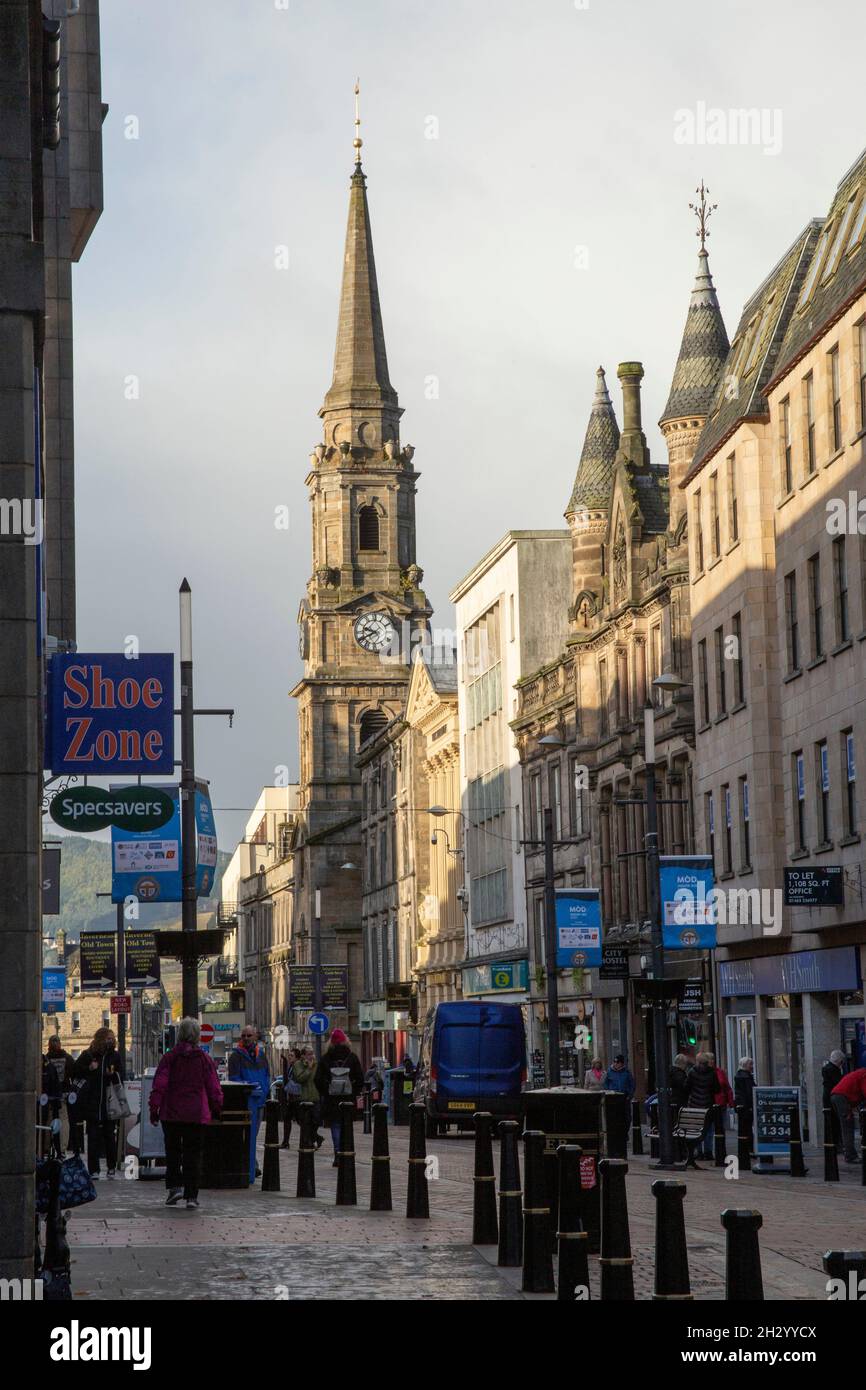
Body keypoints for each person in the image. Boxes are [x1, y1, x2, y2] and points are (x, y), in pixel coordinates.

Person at [149, 1017, 223, 1209]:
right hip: (196, 1114)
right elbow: (214, 1087)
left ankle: (175, 1189)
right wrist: (217, 1108)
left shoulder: (169, 1058)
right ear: (197, 1036)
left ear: (179, 1035)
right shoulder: (204, 1059)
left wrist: (154, 1109)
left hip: (171, 1113)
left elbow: (159, 1085)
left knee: (173, 1153)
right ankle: (192, 1196)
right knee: (193, 1154)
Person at [72, 1026, 125, 1178]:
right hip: (92, 1101)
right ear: (101, 1039)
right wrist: (90, 1068)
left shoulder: (114, 1056)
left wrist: (113, 1074)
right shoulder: (89, 1055)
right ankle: (94, 1169)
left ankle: (111, 1167)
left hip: (109, 1100)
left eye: (112, 1038)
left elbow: (121, 1074)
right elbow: (76, 1070)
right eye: (108, 1038)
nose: (111, 1041)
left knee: (110, 1135)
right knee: (93, 1136)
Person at [228, 1024, 271, 1184]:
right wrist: (249, 1088)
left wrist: (264, 1090)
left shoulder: (262, 1056)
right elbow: (234, 1079)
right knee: (248, 1135)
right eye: (243, 1036)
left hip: (259, 1102)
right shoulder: (236, 1056)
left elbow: (267, 1075)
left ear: (255, 1037)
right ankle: (252, 1166)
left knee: (254, 1134)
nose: (245, 1038)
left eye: (249, 1036)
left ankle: (253, 1165)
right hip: (246, 1101)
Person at [315, 1028, 363, 1165]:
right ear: (345, 1041)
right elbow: (360, 1078)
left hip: (332, 1099)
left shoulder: (326, 1058)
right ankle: (347, 1153)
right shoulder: (352, 1057)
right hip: (348, 1099)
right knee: (347, 1126)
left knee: (335, 1125)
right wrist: (353, 1092)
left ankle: (337, 1154)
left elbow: (317, 1080)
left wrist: (326, 1091)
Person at [44, 1036, 73, 1156]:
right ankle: (61, 1149)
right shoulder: (68, 1058)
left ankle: (45, 1147)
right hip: (63, 1095)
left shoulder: (46, 1059)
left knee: (48, 1121)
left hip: (49, 1096)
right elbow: (73, 1074)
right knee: (63, 1121)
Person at [685, 1051, 718, 1159]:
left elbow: (687, 1087)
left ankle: (699, 1151)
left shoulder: (692, 1072)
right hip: (707, 1104)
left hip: (694, 1105)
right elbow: (716, 1088)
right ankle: (708, 1151)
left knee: (696, 1129)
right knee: (708, 1130)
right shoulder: (712, 1072)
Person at [830, 1066, 866, 1164]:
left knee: (845, 1126)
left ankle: (848, 1152)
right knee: (848, 1127)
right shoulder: (864, 1074)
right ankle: (850, 1156)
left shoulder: (859, 1073)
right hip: (842, 1099)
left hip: (837, 1097)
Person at [822, 1050, 846, 1152]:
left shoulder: (826, 1068)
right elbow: (839, 1083)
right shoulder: (833, 1069)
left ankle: (832, 1144)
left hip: (827, 1097)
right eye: (842, 1062)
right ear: (839, 1061)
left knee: (830, 1121)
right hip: (832, 1098)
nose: (842, 1065)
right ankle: (835, 1145)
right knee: (834, 1121)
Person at [280, 1047, 302, 1149]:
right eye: (289, 1055)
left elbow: (292, 1081)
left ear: (297, 1058)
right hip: (291, 1097)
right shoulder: (291, 1066)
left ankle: (315, 1137)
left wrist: (284, 1064)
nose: (289, 1057)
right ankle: (285, 1142)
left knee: (299, 1120)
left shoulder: (297, 1067)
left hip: (296, 1097)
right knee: (287, 1119)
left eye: (291, 1056)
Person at [733, 1056, 756, 1129]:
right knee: (746, 1127)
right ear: (745, 1065)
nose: (752, 1066)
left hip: (741, 1105)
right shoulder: (746, 1077)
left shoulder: (740, 1075)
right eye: (750, 1064)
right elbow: (749, 1093)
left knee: (743, 1127)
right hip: (746, 1106)